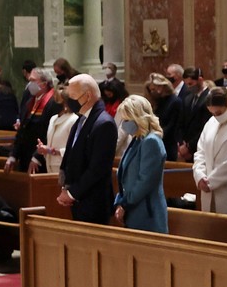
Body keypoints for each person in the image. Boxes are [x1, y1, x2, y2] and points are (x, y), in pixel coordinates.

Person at [57, 74, 118, 224]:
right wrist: (66, 186)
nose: (69, 101)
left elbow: (98, 169)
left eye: (73, 96)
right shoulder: (81, 120)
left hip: (94, 203)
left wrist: (72, 193)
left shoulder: (104, 124)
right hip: (80, 201)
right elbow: (71, 155)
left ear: (88, 96)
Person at [113, 95, 169, 233]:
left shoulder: (151, 142)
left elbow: (145, 181)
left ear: (138, 118)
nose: (124, 124)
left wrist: (125, 204)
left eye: (127, 120)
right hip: (135, 208)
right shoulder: (138, 139)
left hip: (146, 212)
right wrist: (120, 201)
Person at [192, 86, 227, 214]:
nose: (215, 116)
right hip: (206, 185)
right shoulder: (211, 122)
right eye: (212, 113)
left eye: (219, 113)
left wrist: (212, 181)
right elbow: (200, 151)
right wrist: (199, 175)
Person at [6, 68, 60, 172]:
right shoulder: (30, 101)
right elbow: (22, 130)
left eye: (33, 80)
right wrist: (13, 155)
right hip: (25, 156)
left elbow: (50, 134)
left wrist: (37, 157)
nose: (29, 84)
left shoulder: (53, 103)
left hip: (41, 158)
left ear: (44, 84)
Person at [32, 85, 76, 178]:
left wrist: (52, 151)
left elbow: (74, 149)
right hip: (50, 165)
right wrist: (43, 148)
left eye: (57, 100)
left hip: (65, 167)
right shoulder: (53, 119)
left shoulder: (74, 120)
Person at [144, 73, 185, 165]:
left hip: (168, 144)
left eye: (154, 89)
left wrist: (155, 136)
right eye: (151, 90)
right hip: (155, 141)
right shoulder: (156, 101)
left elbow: (171, 126)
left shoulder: (175, 101)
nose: (152, 92)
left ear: (161, 87)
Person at [178, 67, 212, 160]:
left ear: (200, 80)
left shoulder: (210, 98)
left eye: (190, 84)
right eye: (186, 84)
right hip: (185, 148)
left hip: (200, 147)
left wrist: (189, 147)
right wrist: (181, 143)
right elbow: (181, 123)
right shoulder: (188, 98)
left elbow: (206, 127)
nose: (188, 87)